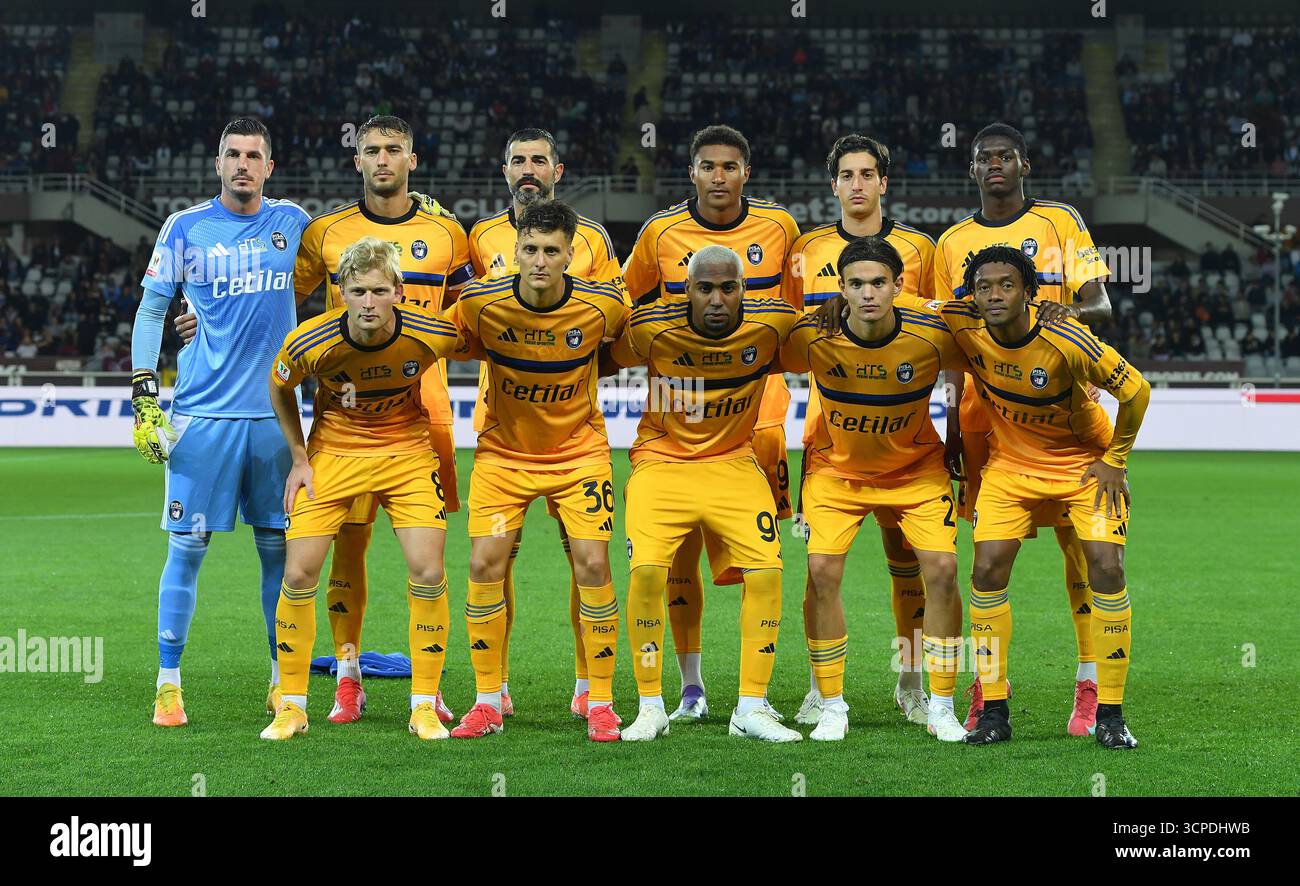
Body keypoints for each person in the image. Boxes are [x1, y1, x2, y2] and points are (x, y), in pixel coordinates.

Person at [173, 115, 472, 725]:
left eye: (394, 149)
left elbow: (472, 313)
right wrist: (207, 321)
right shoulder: (326, 231)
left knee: (431, 563)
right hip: (341, 423)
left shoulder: (447, 231)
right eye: (372, 150)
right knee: (346, 554)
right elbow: (274, 295)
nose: (383, 159)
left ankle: (430, 693)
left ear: (412, 159)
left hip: (424, 416)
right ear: (356, 160)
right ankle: (347, 676)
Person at [933, 122, 1115, 735]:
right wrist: (954, 431)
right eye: (983, 158)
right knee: (986, 561)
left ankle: (1090, 685)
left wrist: (1058, 312)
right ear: (973, 170)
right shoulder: (953, 242)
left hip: (1065, 414)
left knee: (1086, 558)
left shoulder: (1061, 222)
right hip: (987, 423)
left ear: (1024, 165)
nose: (994, 165)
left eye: (1005, 156)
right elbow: (954, 342)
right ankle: (988, 692)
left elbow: (1101, 306)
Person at [130, 117, 310, 727]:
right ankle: (168, 684)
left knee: (277, 554)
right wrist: (143, 392)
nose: (242, 164)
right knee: (186, 547)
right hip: (202, 416)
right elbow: (153, 309)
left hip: (274, 418)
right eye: (232, 154)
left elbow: (345, 279)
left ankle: (282, 681)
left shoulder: (294, 223)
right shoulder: (184, 229)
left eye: (253, 155)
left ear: (269, 166)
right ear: (217, 163)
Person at [260, 236, 474, 741]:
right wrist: (297, 457)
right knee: (298, 573)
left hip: (406, 452)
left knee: (428, 569)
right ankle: (291, 705)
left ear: (399, 290)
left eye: (380, 290)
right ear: (340, 292)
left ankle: (423, 703)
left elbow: (486, 343)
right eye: (357, 291)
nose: (369, 302)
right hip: (334, 455)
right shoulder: (311, 343)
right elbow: (278, 386)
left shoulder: (429, 334)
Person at [622, 124, 800, 722]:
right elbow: (619, 306)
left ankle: (754, 703)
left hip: (751, 428)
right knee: (668, 564)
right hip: (668, 447)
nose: (719, 176)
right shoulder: (658, 235)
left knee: (763, 567)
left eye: (730, 165)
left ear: (745, 171)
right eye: (708, 166)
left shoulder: (780, 228)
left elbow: (803, 318)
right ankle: (684, 690)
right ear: (692, 172)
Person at [937, 246, 1149, 749]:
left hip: (1081, 462)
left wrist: (1114, 460)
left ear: (1030, 292)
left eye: (1006, 284)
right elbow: (904, 310)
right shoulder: (961, 322)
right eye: (984, 285)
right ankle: (993, 711)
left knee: (1106, 567)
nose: (994, 294)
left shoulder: (1066, 338)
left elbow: (1137, 391)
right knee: (986, 569)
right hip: (1012, 465)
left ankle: (1112, 715)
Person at [442, 201, 629, 741]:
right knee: (485, 562)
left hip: (579, 455)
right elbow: (441, 339)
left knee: (593, 564)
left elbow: (632, 342)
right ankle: (486, 700)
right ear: (515, 252)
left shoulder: (601, 307)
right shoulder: (480, 302)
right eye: (531, 249)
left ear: (571, 255)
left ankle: (600, 700)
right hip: (505, 457)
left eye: (552, 251)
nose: (540, 260)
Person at [780, 237, 968, 742]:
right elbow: (746, 343)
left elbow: (996, 330)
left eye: (879, 283)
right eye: (857, 284)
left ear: (899, 286)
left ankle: (941, 703)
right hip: (836, 473)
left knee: (944, 571)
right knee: (820, 570)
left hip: (915, 471)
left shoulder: (934, 332)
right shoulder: (810, 333)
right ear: (839, 289)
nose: (868, 293)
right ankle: (832, 702)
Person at [781, 133, 940, 727]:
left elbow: (947, 335)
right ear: (833, 185)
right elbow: (791, 329)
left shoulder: (920, 249)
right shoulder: (808, 248)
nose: (857, 184)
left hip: (907, 442)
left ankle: (912, 681)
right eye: (846, 175)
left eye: (867, 174)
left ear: (884, 182)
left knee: (913, 569)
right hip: (834, 439)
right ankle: (823, 690)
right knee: (820, 569)